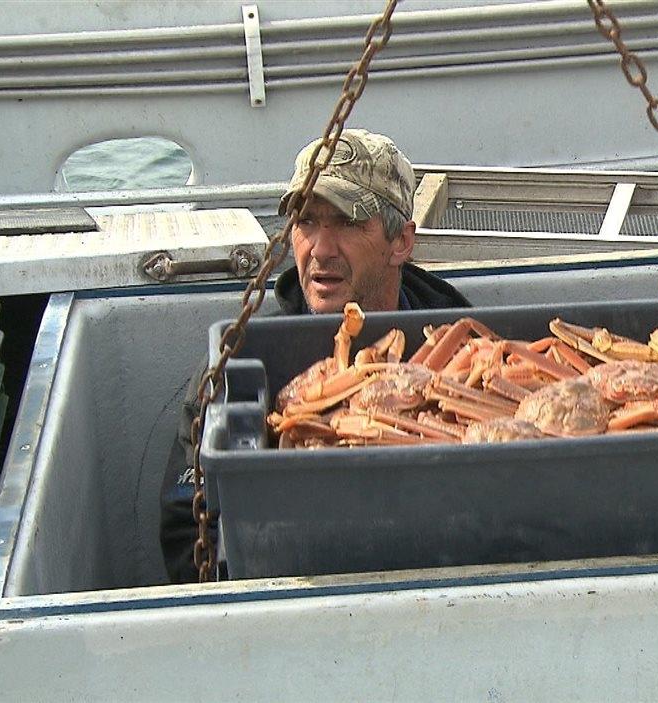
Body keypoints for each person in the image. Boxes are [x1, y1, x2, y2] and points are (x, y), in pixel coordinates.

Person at [160, 129, 470, 582]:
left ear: (400, 242)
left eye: (347, 223)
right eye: (306, 222)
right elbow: (185, 531)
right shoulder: (240, 362)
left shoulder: (465, 344)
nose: (321, 249)